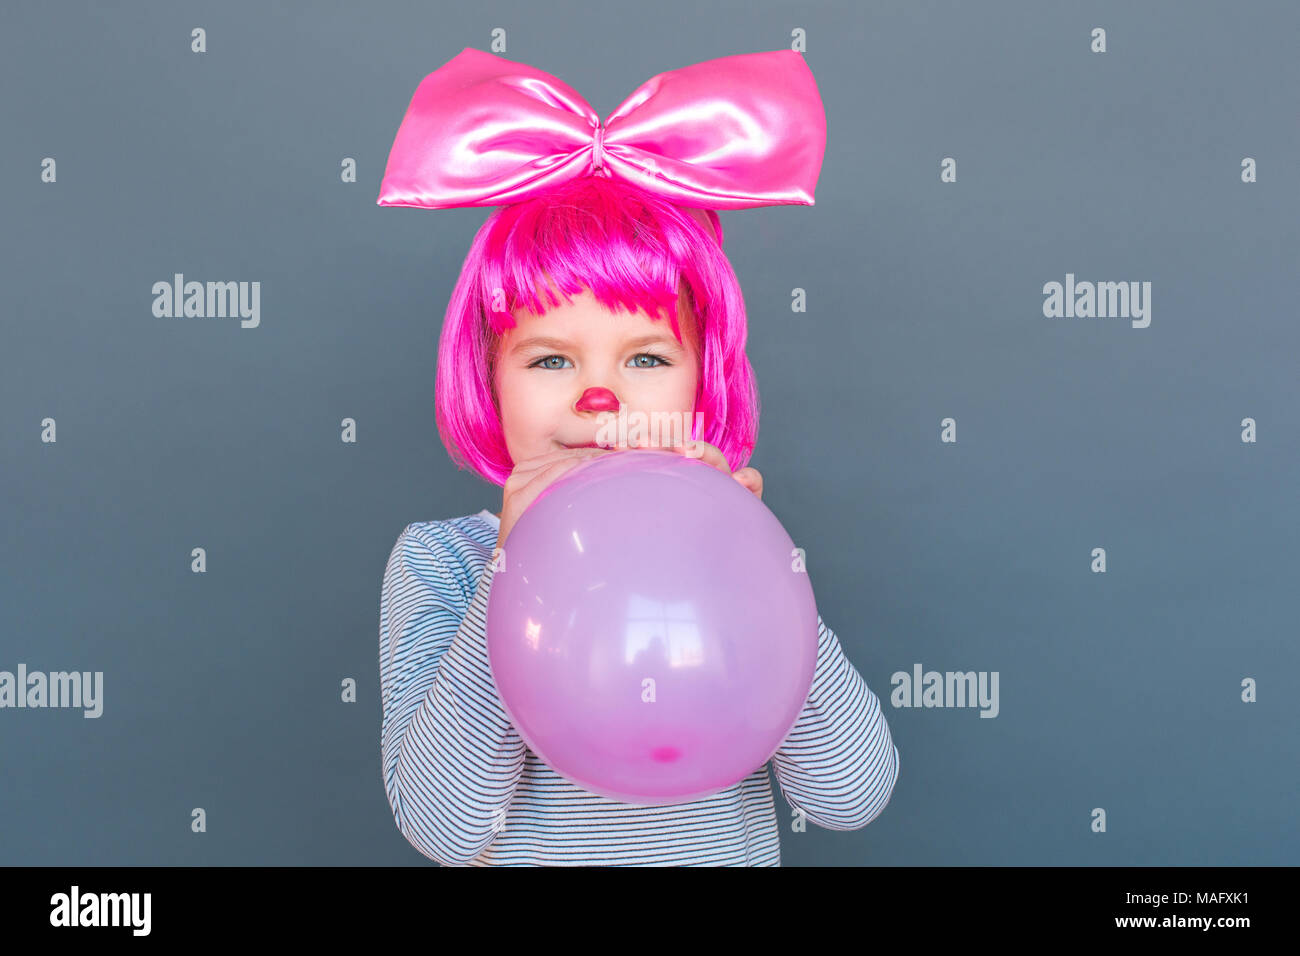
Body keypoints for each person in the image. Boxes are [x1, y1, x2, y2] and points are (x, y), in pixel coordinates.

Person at [377, 47, 899, 865]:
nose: (600, 398)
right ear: (490, 378)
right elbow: (444, 831)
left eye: (646, 359)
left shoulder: (733, 556)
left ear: (704, 379)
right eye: (551, 360)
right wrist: (508, 570)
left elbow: (851, 796)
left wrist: (765, 567)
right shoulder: (443, 563)